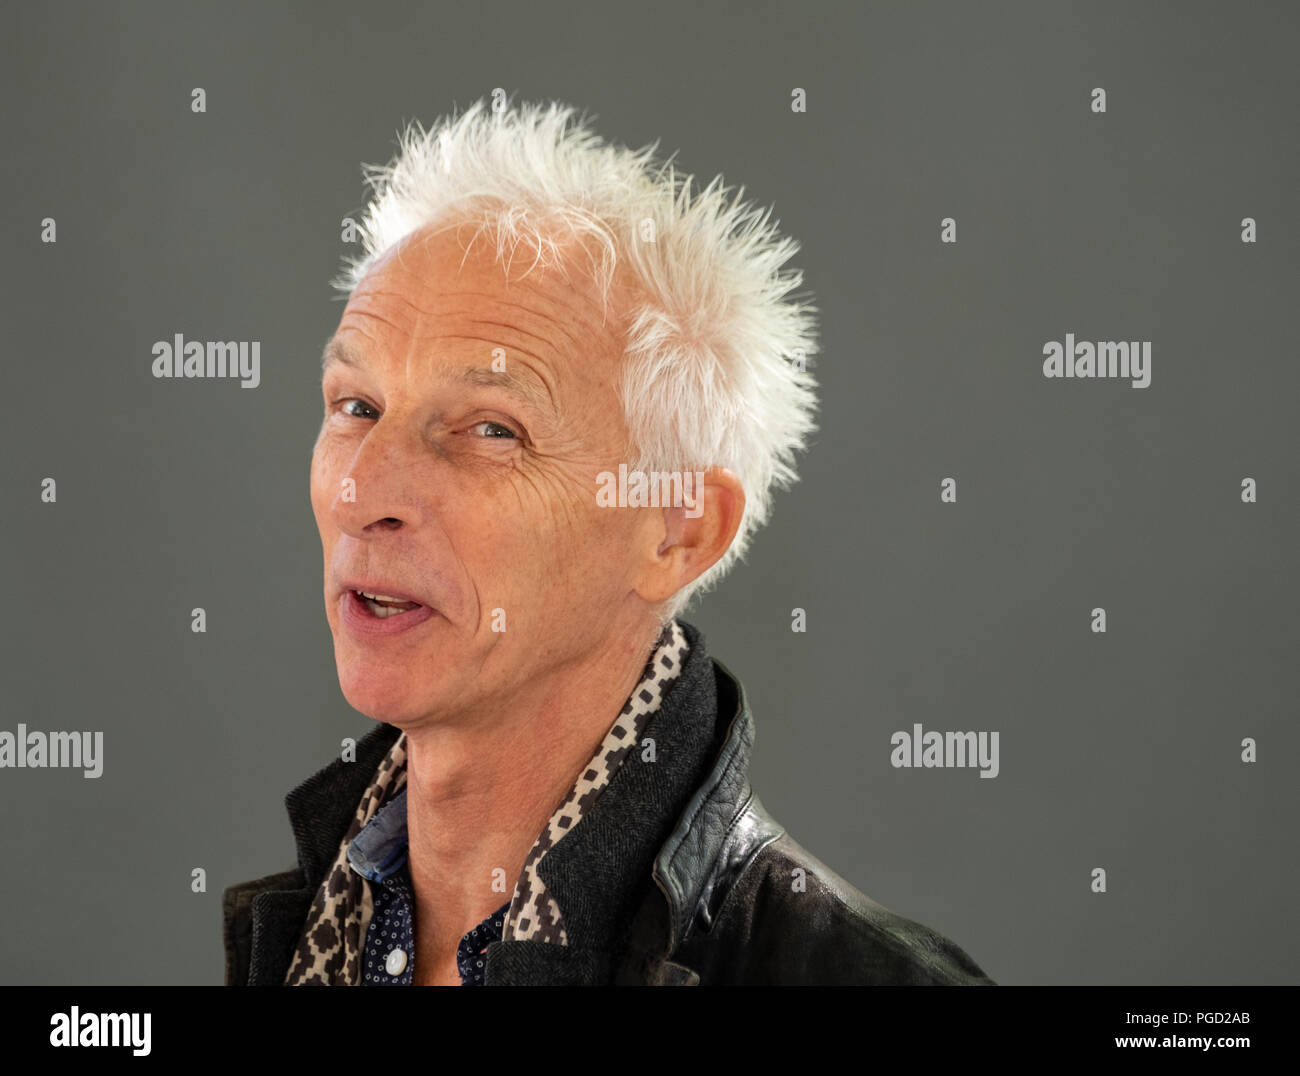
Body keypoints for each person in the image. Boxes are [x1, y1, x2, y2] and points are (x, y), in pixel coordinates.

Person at [222, 98, 994, 986]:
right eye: (357, 406)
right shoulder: (308, 930)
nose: (365, 491)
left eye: (491, 430)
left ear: (678, 530)